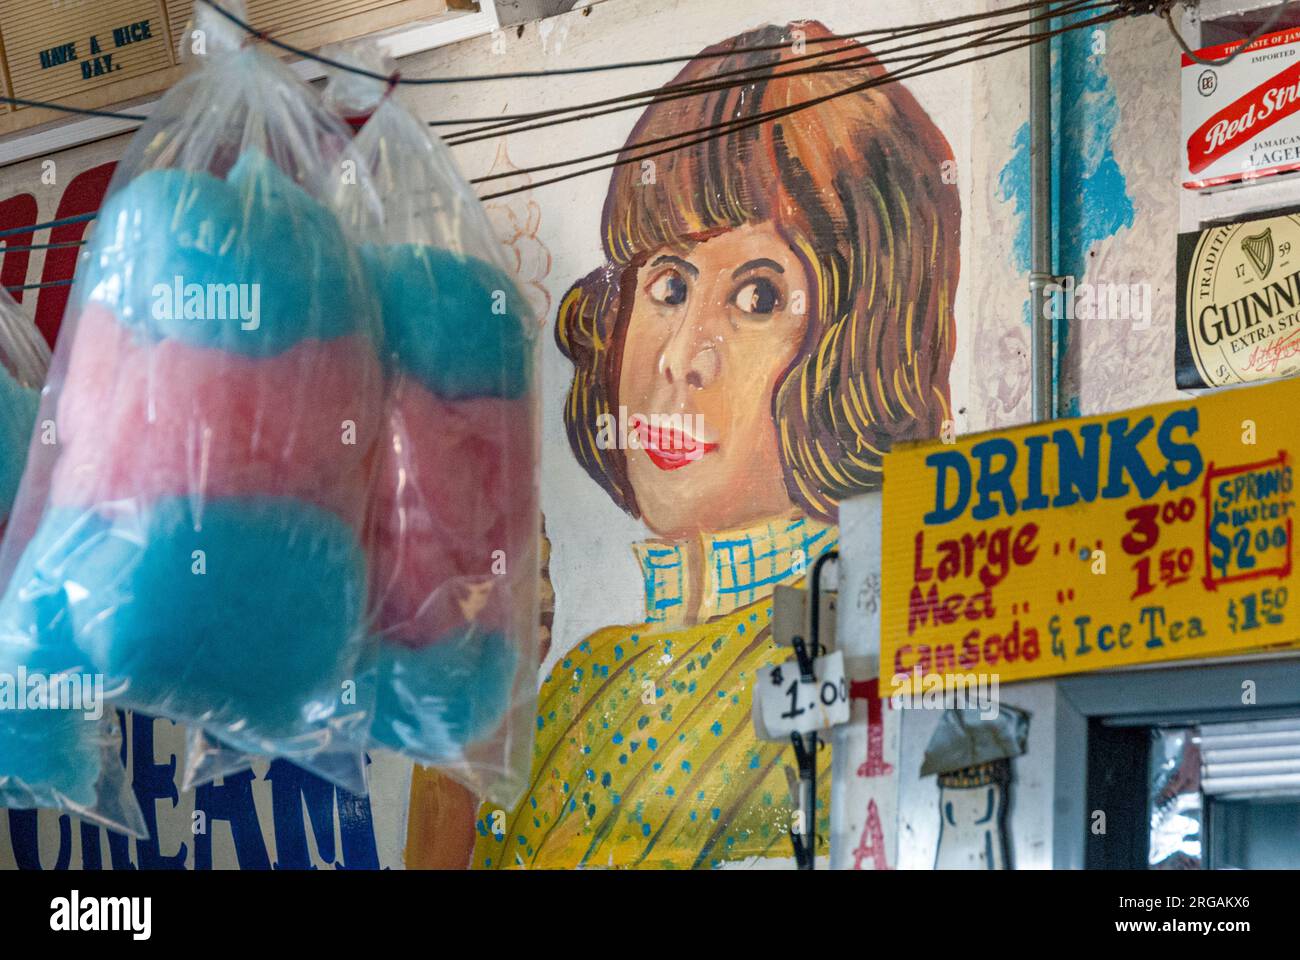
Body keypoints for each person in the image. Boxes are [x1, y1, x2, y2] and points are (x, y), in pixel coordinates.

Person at [463, 18, 960, 869]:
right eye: (667, 283)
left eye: (759, 297)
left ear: (857, 342)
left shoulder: (868, 675)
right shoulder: (582, 683)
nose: (680, 357)